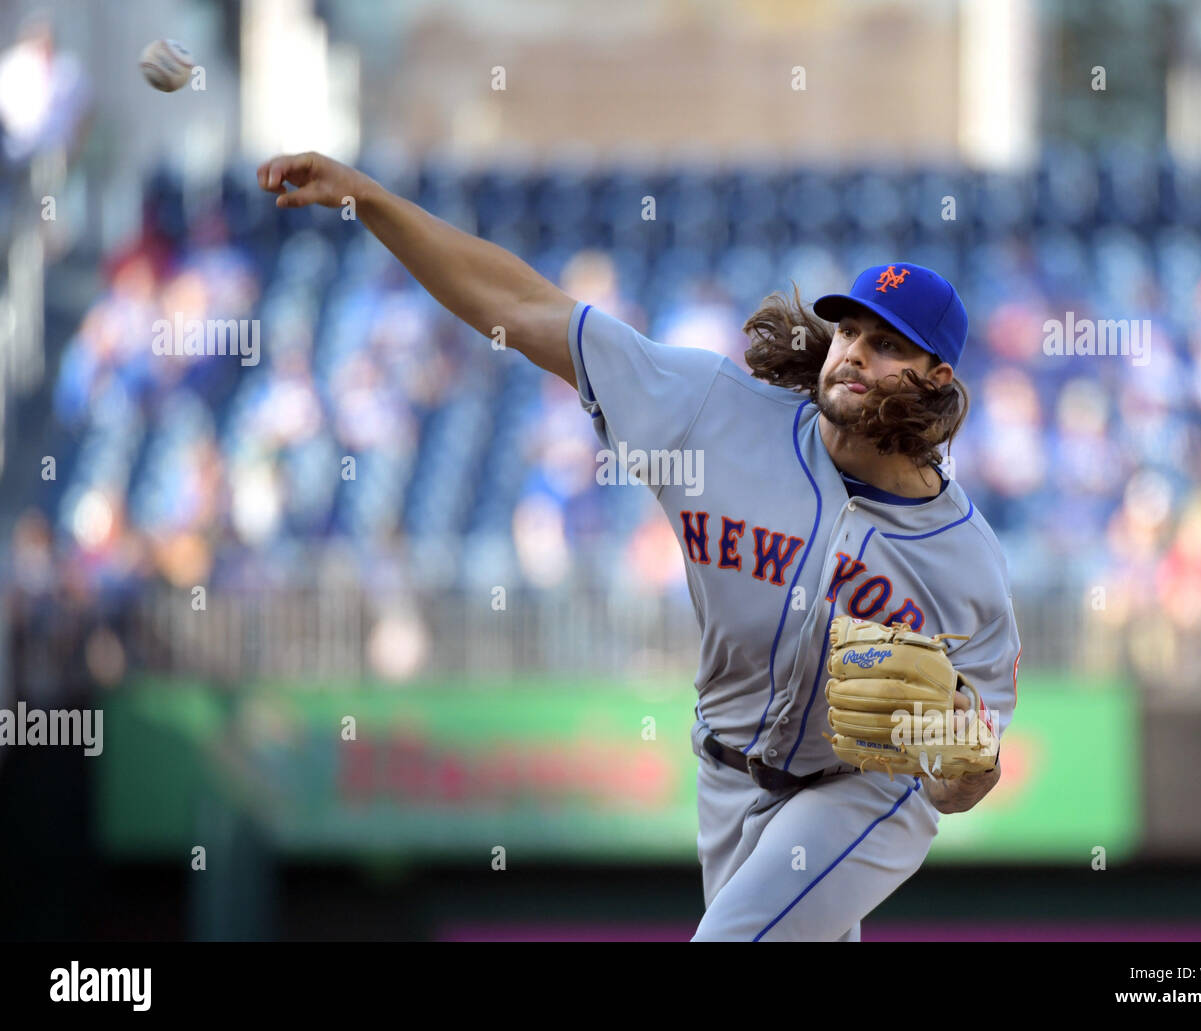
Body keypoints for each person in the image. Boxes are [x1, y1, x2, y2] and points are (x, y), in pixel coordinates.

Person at [257, 153, 1021, 941]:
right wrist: (372, 198)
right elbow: (520, 307)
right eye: (850, 329)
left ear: (936, 376)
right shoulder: (712, 416)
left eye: (889, 343)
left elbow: (966, 778)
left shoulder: (965, 560)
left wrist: (965, 755)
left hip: (865, 793)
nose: (856, 351)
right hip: (725, 780)